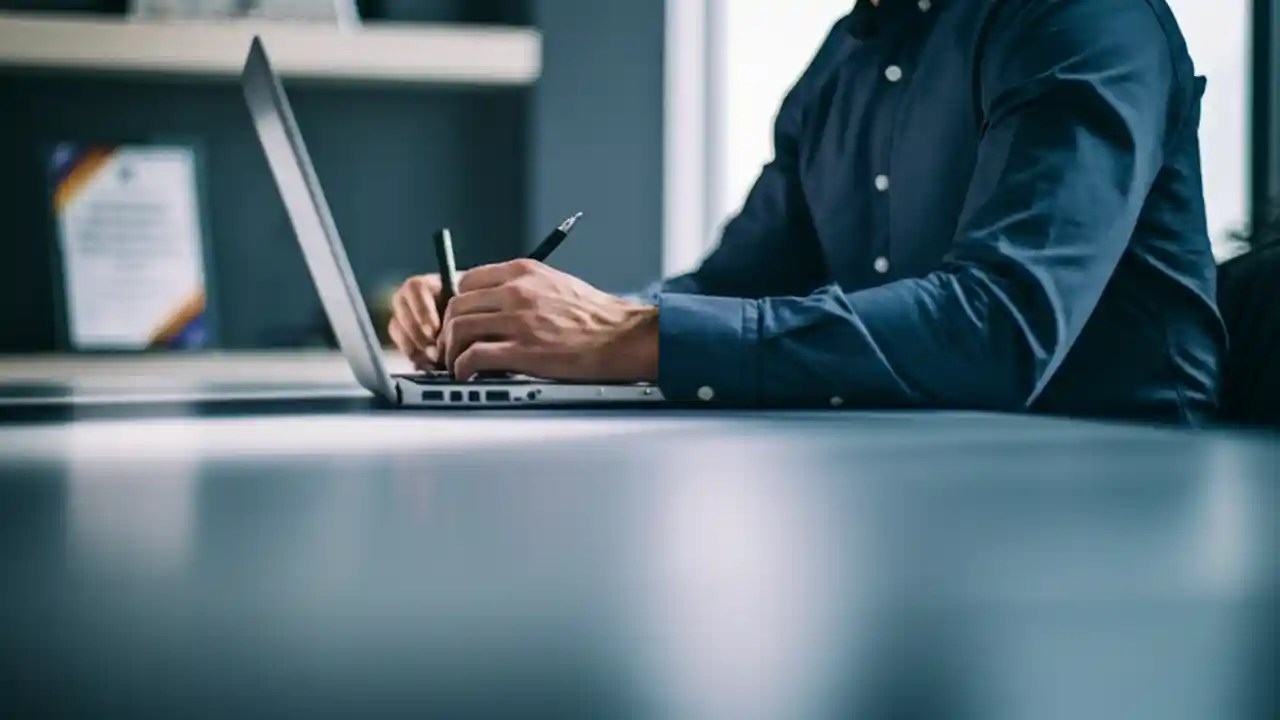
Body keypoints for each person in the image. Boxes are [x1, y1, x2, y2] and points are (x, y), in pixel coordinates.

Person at [388, 0, 1225, 424]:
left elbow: (999, 329)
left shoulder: (1083, 21)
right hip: (921, 474)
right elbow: (732, 285)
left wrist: (626, 334)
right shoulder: (848, 59)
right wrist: (526, 324)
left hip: (1117, 497)